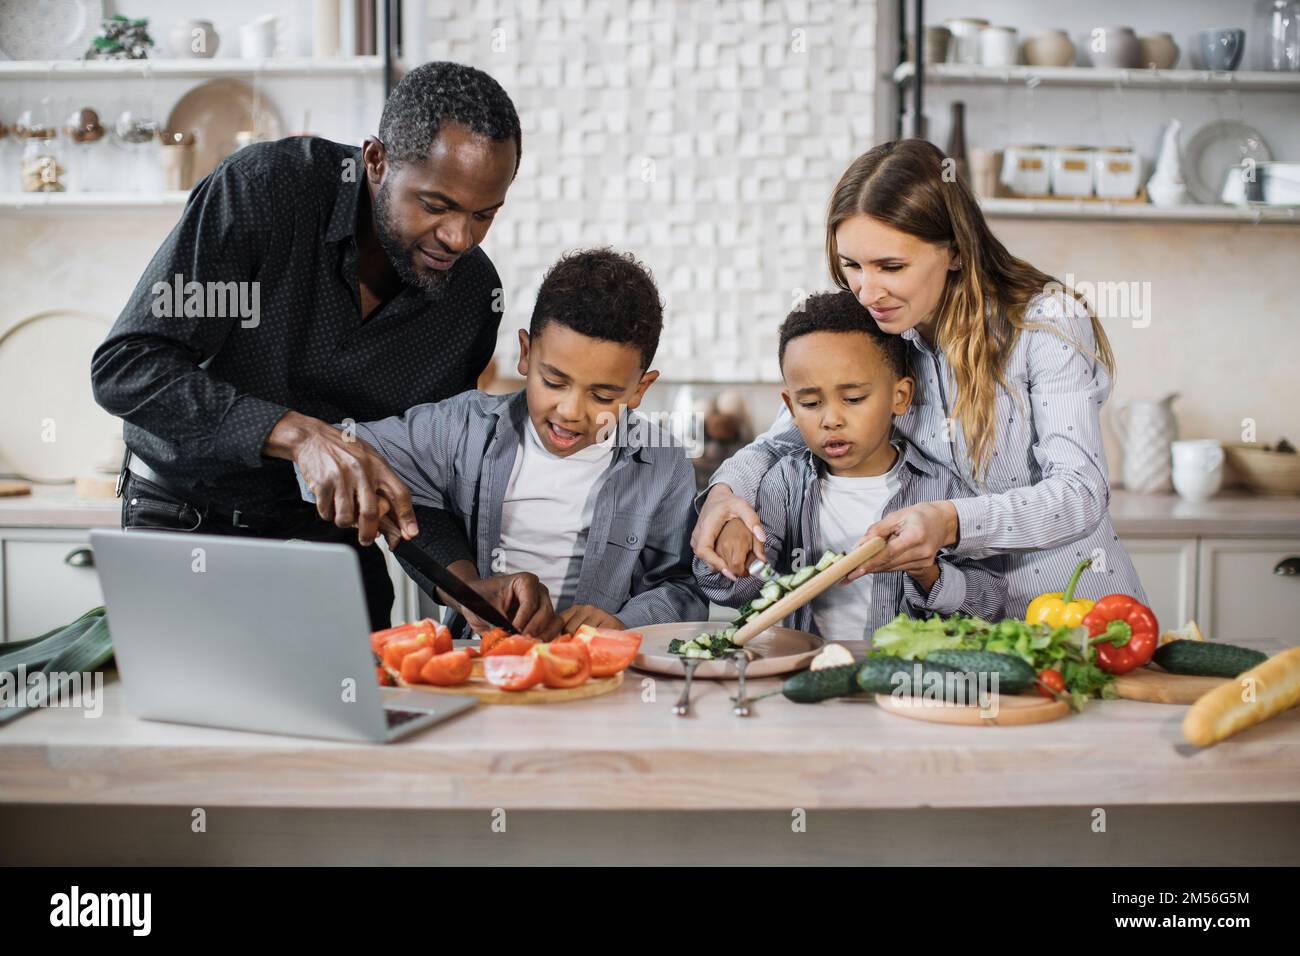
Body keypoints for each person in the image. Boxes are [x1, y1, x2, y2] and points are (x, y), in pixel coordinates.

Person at [91, 62, 556, 634]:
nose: (459, 238)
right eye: (436, 206)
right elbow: (130, 367)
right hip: (185, 523)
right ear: (377, 161)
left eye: (483, 215)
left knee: (363, 718)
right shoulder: (266, 194)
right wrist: (300, 435)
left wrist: (464, 585)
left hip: (331, 548)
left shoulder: (469, 299)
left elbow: (416, 472)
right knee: (190, 723)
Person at [692, 139, 1146, 619]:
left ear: (953, 251)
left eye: (892, 266)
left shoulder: (1043, 322)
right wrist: (725, 497)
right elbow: (780, 442)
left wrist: (949, 521)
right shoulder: (883, 328)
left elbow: (1080, 492)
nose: (866, 291)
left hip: (1072, 613)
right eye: (852, 266)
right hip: (957, 628)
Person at [301, 249, 707, 637]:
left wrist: (625, 623)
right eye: (553, 381)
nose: (570, 411)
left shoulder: (663, 463)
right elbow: (333, 451)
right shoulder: (463, 426)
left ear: (640, 389)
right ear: (526, 354)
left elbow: (684, 587)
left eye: (602, 396)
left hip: (602, 680)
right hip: (479, 663)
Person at [694, 291, 1005, 637]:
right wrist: (735, 544)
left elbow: (989, 604)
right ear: (791, 407)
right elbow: (730, 593)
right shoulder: (784, 483)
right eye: (810, 403)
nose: (831, 419)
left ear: (900, 396)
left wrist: (928, 573)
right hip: (804, 673)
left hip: (904, 680)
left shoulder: (943, 490)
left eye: (854, 399)